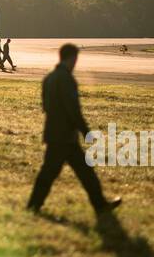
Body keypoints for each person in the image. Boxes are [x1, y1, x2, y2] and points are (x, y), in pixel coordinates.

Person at [27, 43, 120, 216]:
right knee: (77, 173)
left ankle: (34, 205)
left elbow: (46, 106)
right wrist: (86, 131)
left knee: (61, 173)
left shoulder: (49, 78)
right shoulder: (67, 79)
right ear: (71, 58)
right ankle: (99, 206)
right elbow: (73, 109)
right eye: (75, 59)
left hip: (54, 133)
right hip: (65, 137)